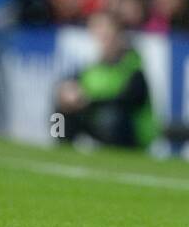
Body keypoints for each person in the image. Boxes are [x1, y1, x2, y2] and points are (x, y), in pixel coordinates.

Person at [55, 11, 157, 149]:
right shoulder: (92, 67)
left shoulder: (132, 65)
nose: (102, 38)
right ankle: (60, 147)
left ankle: (117, 154)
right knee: (62, 107)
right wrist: (68, 91)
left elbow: (129, 100)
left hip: (131, 132)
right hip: (97, 119)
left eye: (106, 33)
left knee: (111, 116)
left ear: (118, 35)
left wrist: (89, 102)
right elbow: (73, 83)